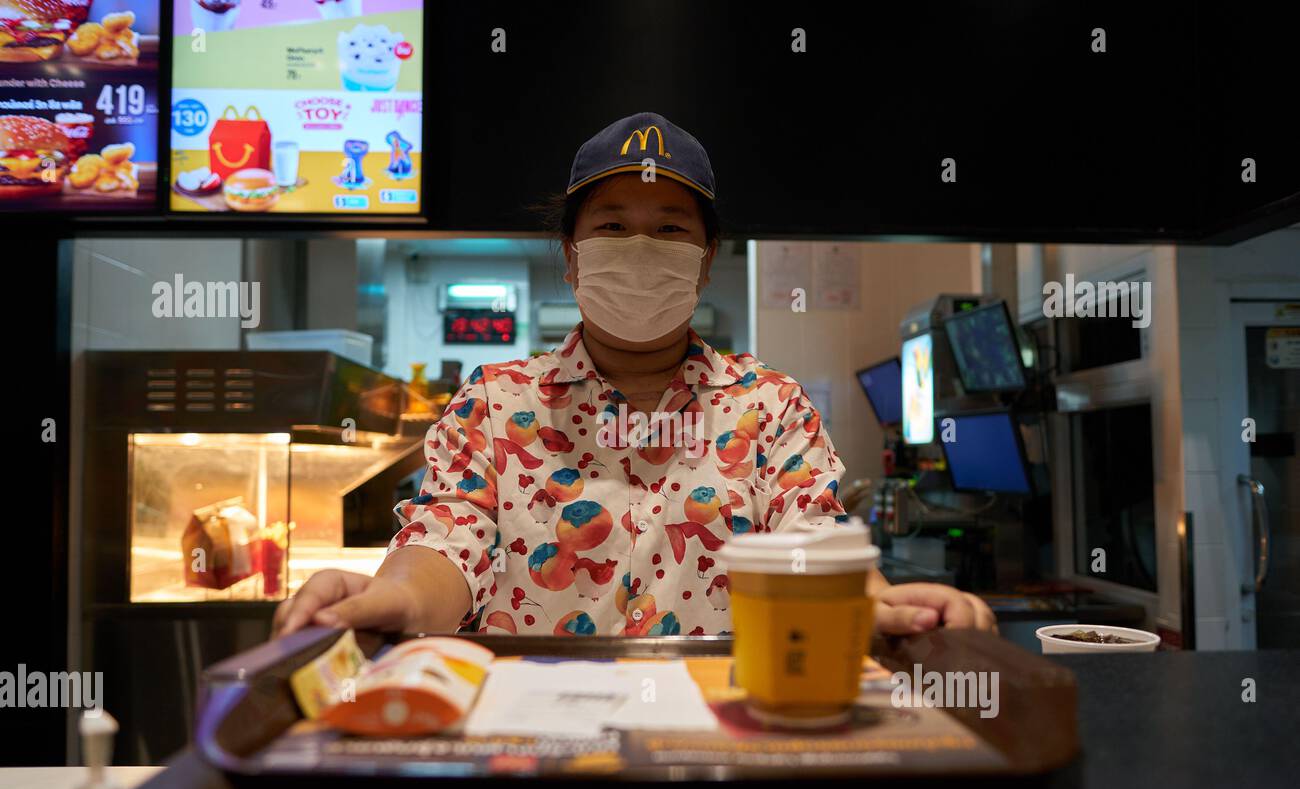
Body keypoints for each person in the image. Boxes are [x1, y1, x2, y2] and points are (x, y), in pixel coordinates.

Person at [272, 112, 995, 639]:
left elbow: (813, 544)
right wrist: (392, 594)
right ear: (571, 254)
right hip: (527, 745)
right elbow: (445, 543)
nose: (641, 247)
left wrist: (879, 602)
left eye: (672, 228)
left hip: (719, 738)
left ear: (707, 260)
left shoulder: (770, 407)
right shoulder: (492, 405)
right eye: (613, 226)